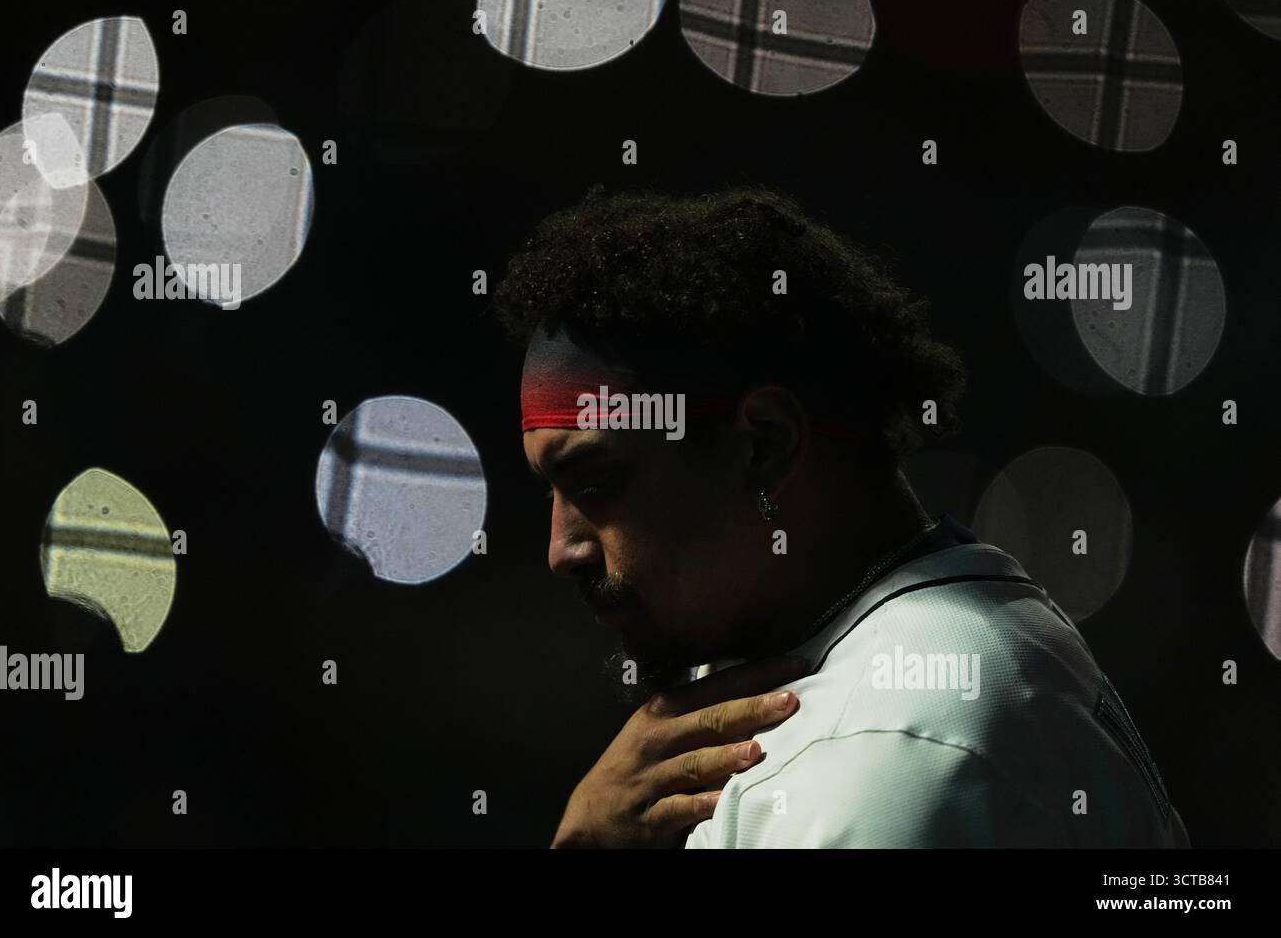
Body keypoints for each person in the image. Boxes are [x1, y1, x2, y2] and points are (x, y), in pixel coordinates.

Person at [494, 183, 1191, 848]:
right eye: (549, 491)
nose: (561, 549)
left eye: (595, 480)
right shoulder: (948, 637)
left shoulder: (880, 753)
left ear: (764, 446)